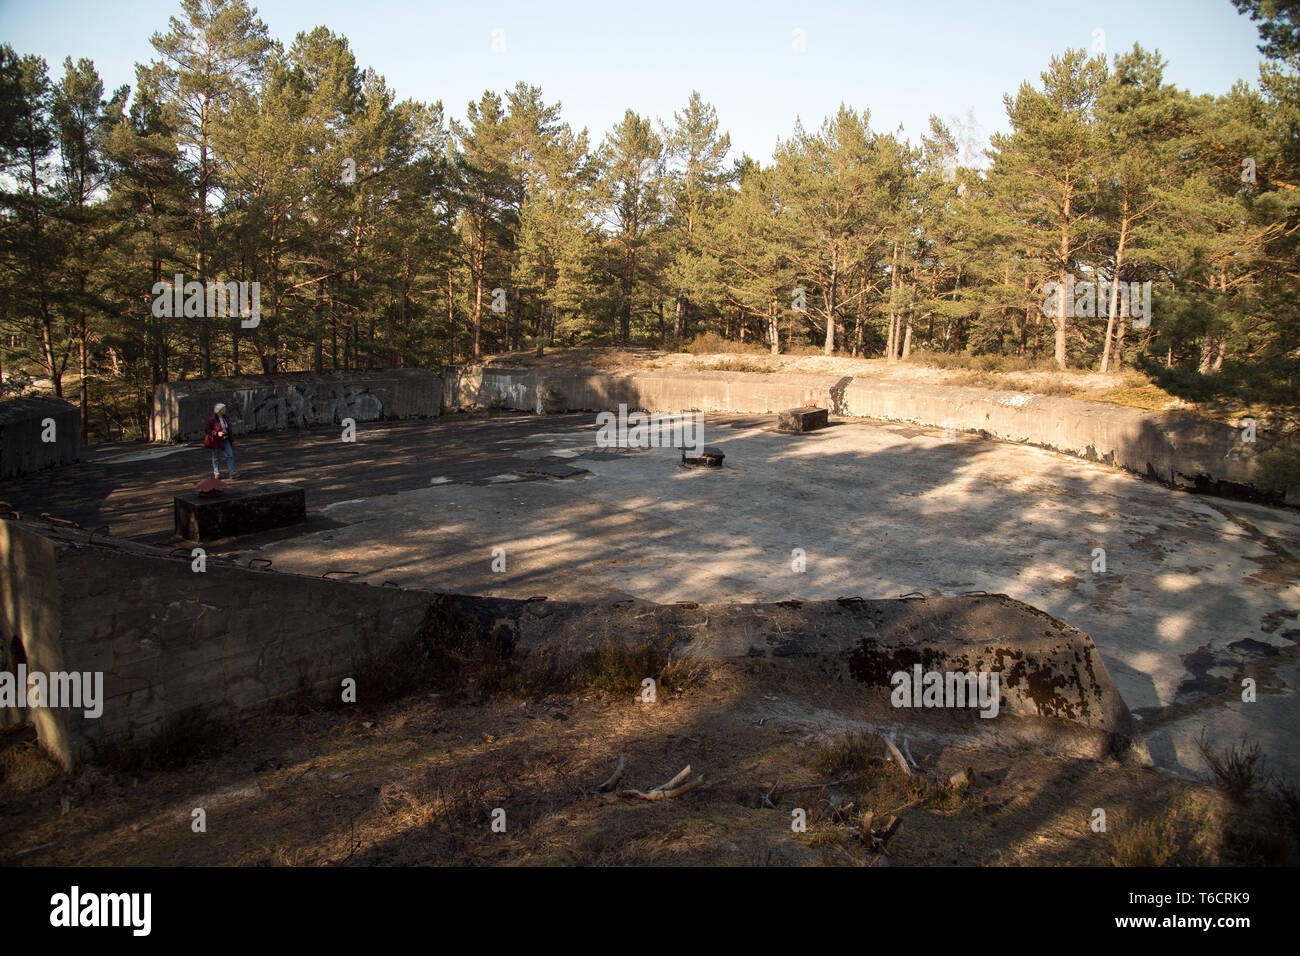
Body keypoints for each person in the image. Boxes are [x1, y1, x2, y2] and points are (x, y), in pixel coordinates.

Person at [204, 402, 238, 479]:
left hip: (225, 439)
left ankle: (232, 472)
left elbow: (229, 430)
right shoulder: (212, 420)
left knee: (230, 455)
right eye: (223, 409)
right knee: (216, 457)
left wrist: (232, 440)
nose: (225, 410)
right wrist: (216, 433)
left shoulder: (225, 418)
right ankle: (216, 473)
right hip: (217, 440)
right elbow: (207, 430)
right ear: (219, 410)